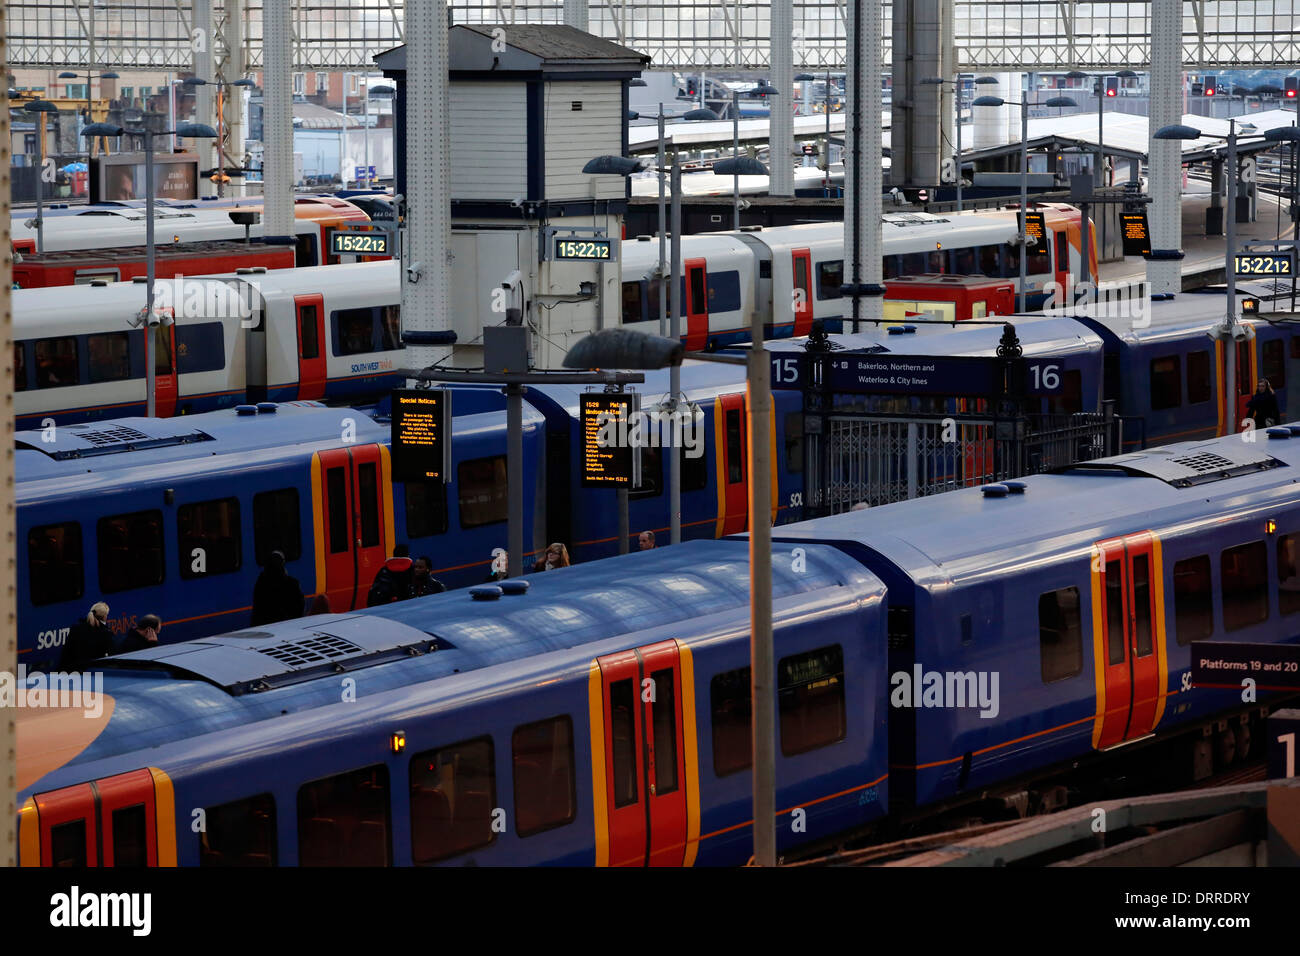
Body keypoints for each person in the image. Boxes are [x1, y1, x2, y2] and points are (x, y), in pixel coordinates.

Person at [251, 550, 305, 625]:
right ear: (283, 564)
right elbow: (299, 609)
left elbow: (257, 611)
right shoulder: (292, 583)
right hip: (286, 627)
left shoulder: (260, 583)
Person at [59, 602, 114, 671]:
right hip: (89, 674)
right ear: (105, 616)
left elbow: (66, 653)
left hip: (69, 671)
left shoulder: (76, 628)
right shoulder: (105, 633)